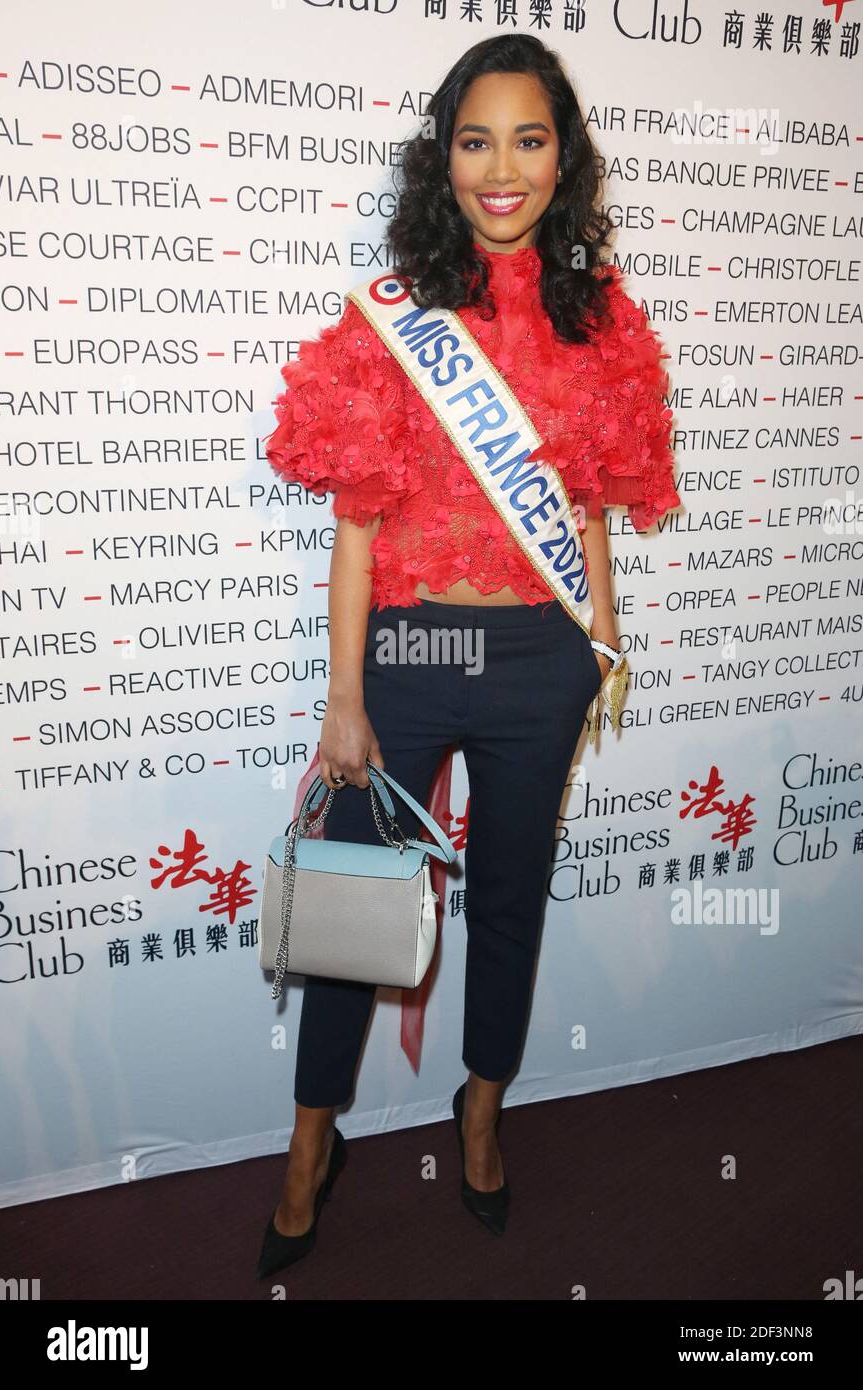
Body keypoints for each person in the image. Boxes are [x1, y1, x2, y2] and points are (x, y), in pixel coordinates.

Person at [256, 32, 680, 1278]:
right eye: (475, 138)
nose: (502, 167)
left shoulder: (597, 320)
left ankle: (479, 1112)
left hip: (539, 658)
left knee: (505, 900)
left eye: (529, 138)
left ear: (564, 157)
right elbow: (353, 525)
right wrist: (345, 697)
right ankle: (307, 1145)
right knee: (347, 916)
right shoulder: (394, 317)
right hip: (408, 648)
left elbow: (590, 502)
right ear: (443, 157)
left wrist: (598, 638)